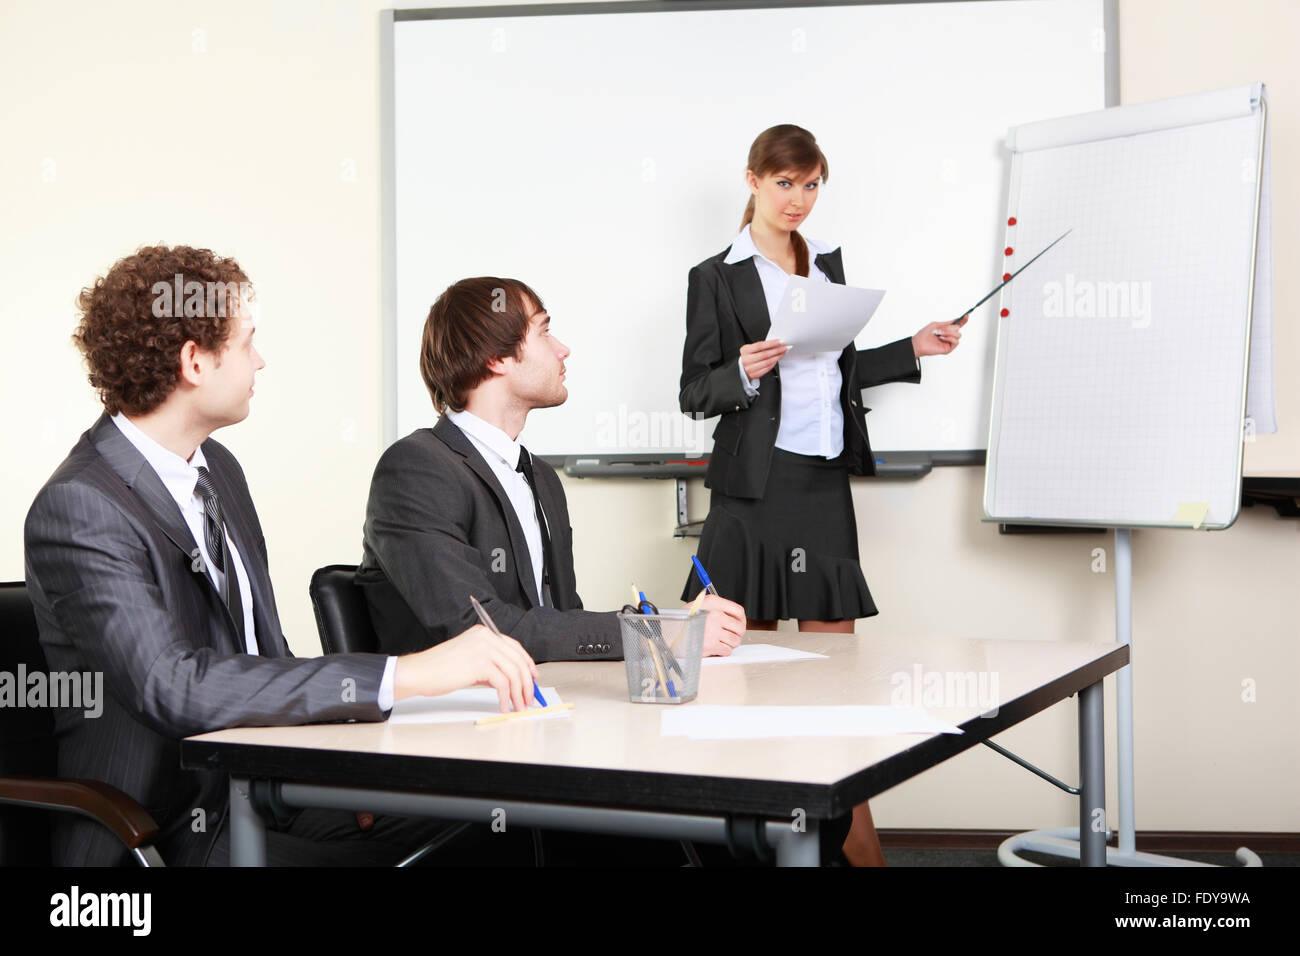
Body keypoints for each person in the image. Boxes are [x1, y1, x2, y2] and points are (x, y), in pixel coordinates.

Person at [24, 246, 539, 866]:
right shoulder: (81, 506)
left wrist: (351, 768)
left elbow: (263, 656)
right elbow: (171, 685)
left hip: (263, 794)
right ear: (195, 361)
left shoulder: (218, 471)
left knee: (488, 827)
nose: (260, 361)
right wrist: (406, 673)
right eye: (247, 344)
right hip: (163, 832)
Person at [678, 125, 962, 865]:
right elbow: (693, 391)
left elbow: (839, 368)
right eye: (784, 184)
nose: (797, 200)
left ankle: (861, 855)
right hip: (753, 490)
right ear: (752, 181)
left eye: (809, 186)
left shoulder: (827, 266)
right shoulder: (716, 276)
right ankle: (762, 849)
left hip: (821, 481)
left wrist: (915, 349)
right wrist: (740, 370)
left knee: (837, 690)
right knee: (745, 681)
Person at [357, 276, 747, 663]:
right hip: (453, 717)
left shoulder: (540, 477)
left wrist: (669, 628)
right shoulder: (416, 470)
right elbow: (481, 630)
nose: (563, 350)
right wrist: (663, 631)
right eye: (544, 332)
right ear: (496, 357)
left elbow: (559, 621)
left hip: (543, 705)